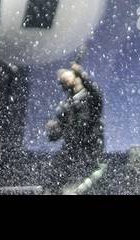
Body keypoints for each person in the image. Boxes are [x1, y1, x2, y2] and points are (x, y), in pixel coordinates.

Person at [45, 62, 106, 194]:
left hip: (90, 145)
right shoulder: (66, 105)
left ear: (76, 76)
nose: (62, 78)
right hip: (72, 146)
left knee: (87, 181)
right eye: (61, 80)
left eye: (65, 75)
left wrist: (82, 74)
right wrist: (54, 129)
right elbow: (60, 131)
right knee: (54, 178)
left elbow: (97, 93)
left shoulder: (91, 97)